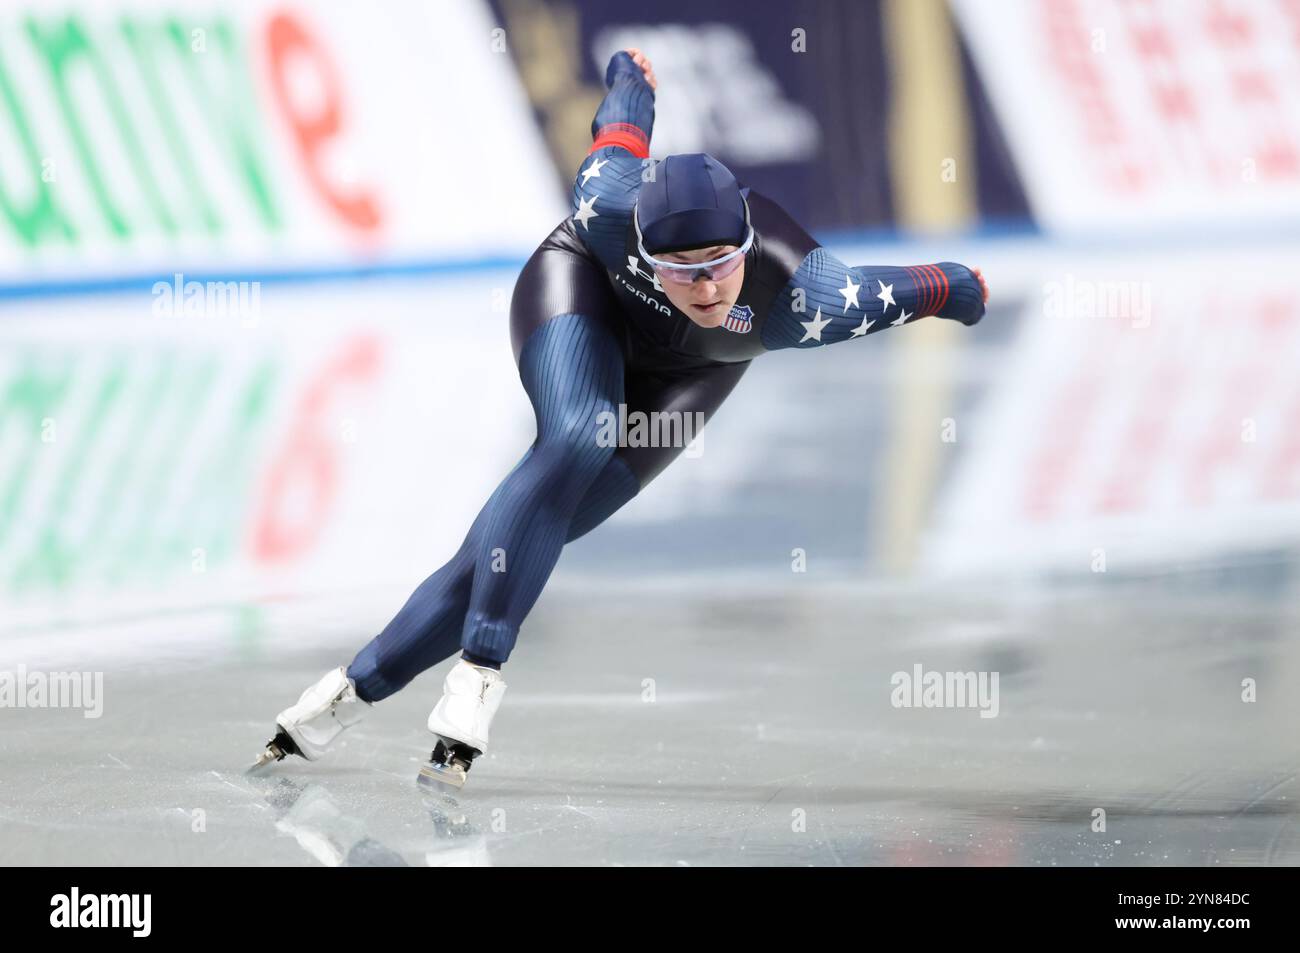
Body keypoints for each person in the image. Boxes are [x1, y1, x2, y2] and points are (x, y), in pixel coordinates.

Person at [251, 48, 990, 786]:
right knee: (578, 433)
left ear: (747, 247)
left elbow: (909, 287)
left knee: (542, 522)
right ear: (646, 251)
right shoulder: (606, 206)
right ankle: (477, 678)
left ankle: (345, 695)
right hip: (583, 296)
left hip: (693, 373)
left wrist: (961, 284)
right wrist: (631, 75)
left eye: (719, 263)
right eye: (679, 269)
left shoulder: (811, 297)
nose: (702, 287)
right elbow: (621, 125)